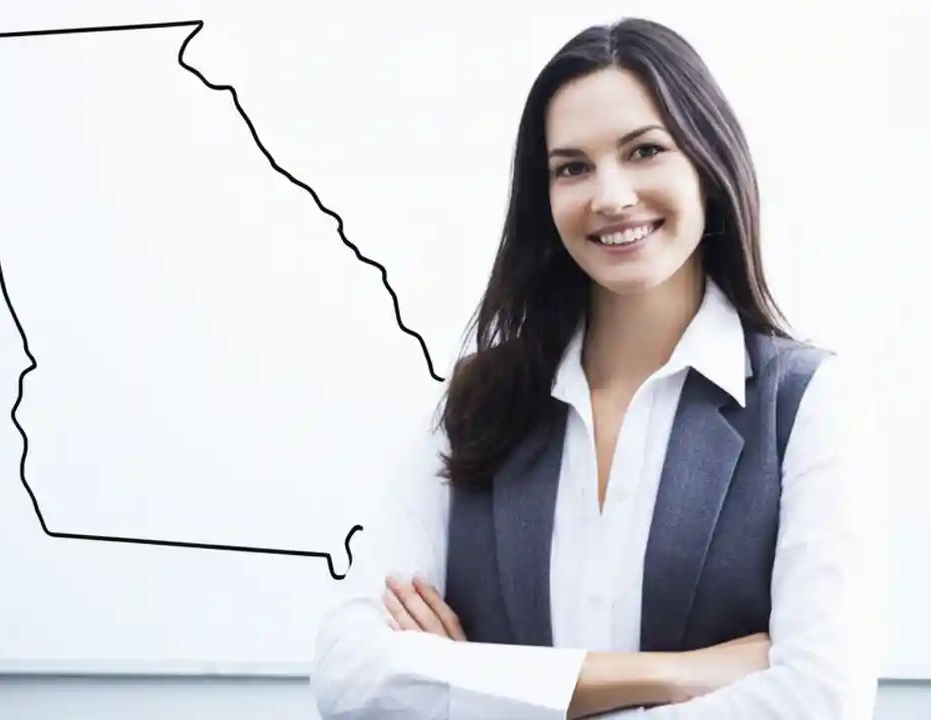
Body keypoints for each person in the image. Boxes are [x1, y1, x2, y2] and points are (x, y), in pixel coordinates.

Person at [310, 16, 881, 719]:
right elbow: (349, 673)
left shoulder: (803, 404)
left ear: (708, 164)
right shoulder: (479, 404)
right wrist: (674, 674)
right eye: (572, 167)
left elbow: (822, 697)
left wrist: (473, 683)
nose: (610, 196)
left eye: (644, 151)